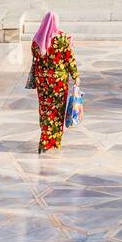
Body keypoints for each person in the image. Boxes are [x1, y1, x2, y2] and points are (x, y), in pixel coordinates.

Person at [31, 12, 79, 154]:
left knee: (45, 109)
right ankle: (50, 140)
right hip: (58, 82)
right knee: (57, 111)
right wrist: (76, 76)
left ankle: (46, 136)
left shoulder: (37, 40)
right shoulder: (63, 39)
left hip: (42, 81)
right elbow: (69, 59)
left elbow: (35, 57)